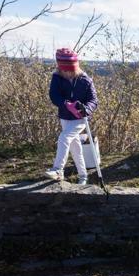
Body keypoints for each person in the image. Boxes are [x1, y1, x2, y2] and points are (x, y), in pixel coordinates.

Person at [44, 48, 98, 184]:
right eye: (65, 70)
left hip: (81, 118)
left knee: (64, 137)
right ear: (60, 68)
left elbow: (94, 101)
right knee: (75, 147)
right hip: (65, 116)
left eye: (71, 70)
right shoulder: (57, 78)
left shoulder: (86, 80)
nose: (68, 73)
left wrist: (86, 108)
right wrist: (65, 104)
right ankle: (83, 176)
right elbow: (54, 95)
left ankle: (58, 170)